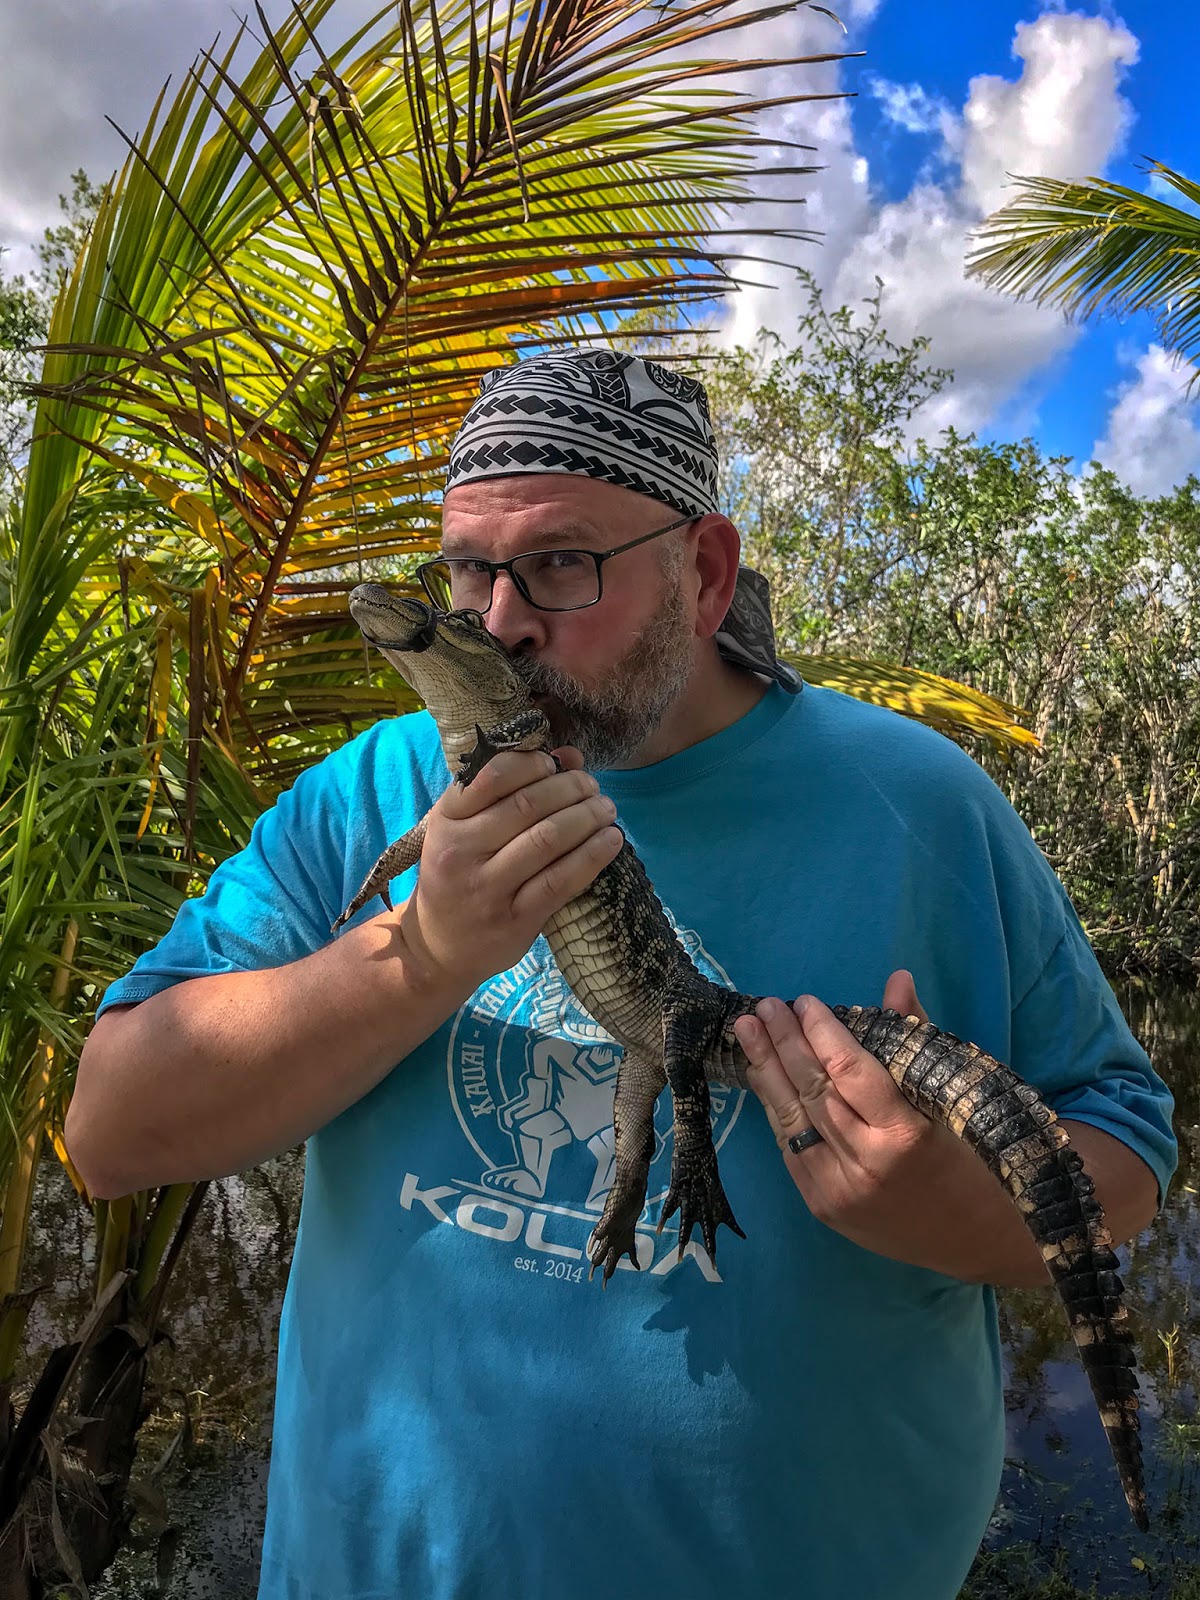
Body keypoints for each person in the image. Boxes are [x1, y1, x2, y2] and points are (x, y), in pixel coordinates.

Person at [66, 350, 1176, 1600]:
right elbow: (110, 1131)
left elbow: (1125, 1146)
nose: (499, 620)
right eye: (470, 570)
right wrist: (419, 957)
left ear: (702, 573)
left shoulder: (921, 804)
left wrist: (942, 1208)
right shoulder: (371, 786)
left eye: (557, 563)